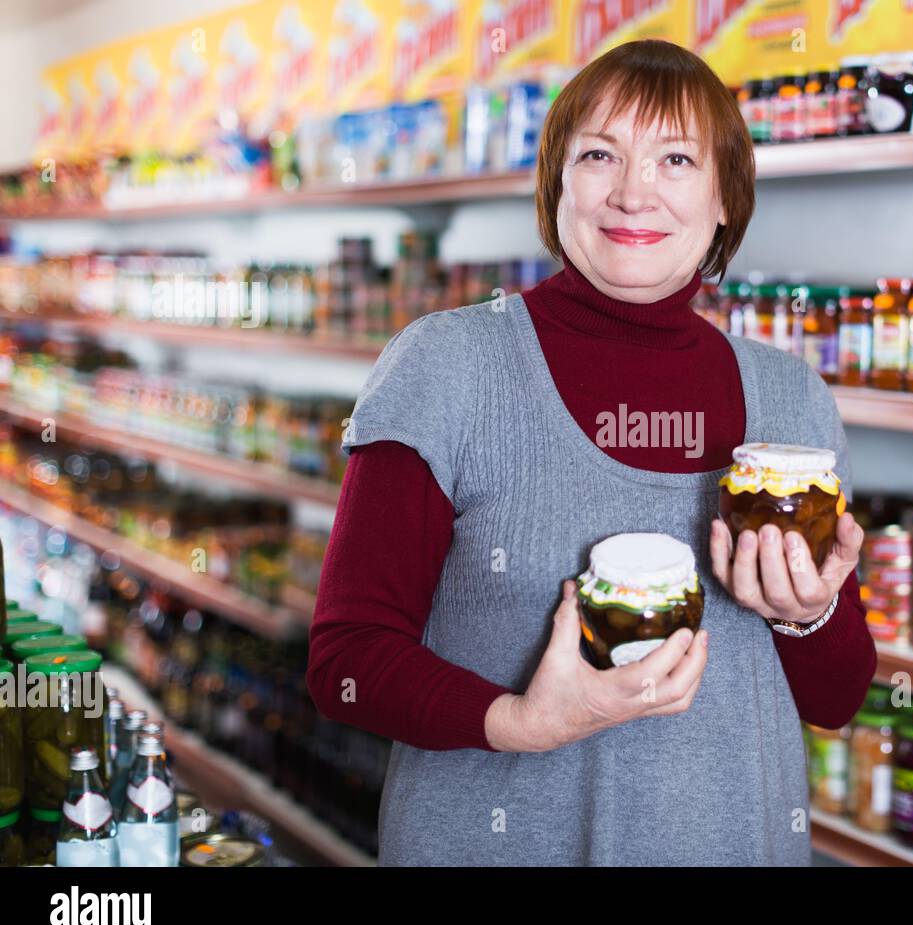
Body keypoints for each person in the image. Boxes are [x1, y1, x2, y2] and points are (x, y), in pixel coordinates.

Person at [308, 39, 876, 866]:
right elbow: (345, 663)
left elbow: (837, 695)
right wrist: (522, 723)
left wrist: (807, 613)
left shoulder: (791, 403)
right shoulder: (449, 366)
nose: (633, 191)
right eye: (600, 154)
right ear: (559, 182)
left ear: (725, 197)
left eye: (676, 158)